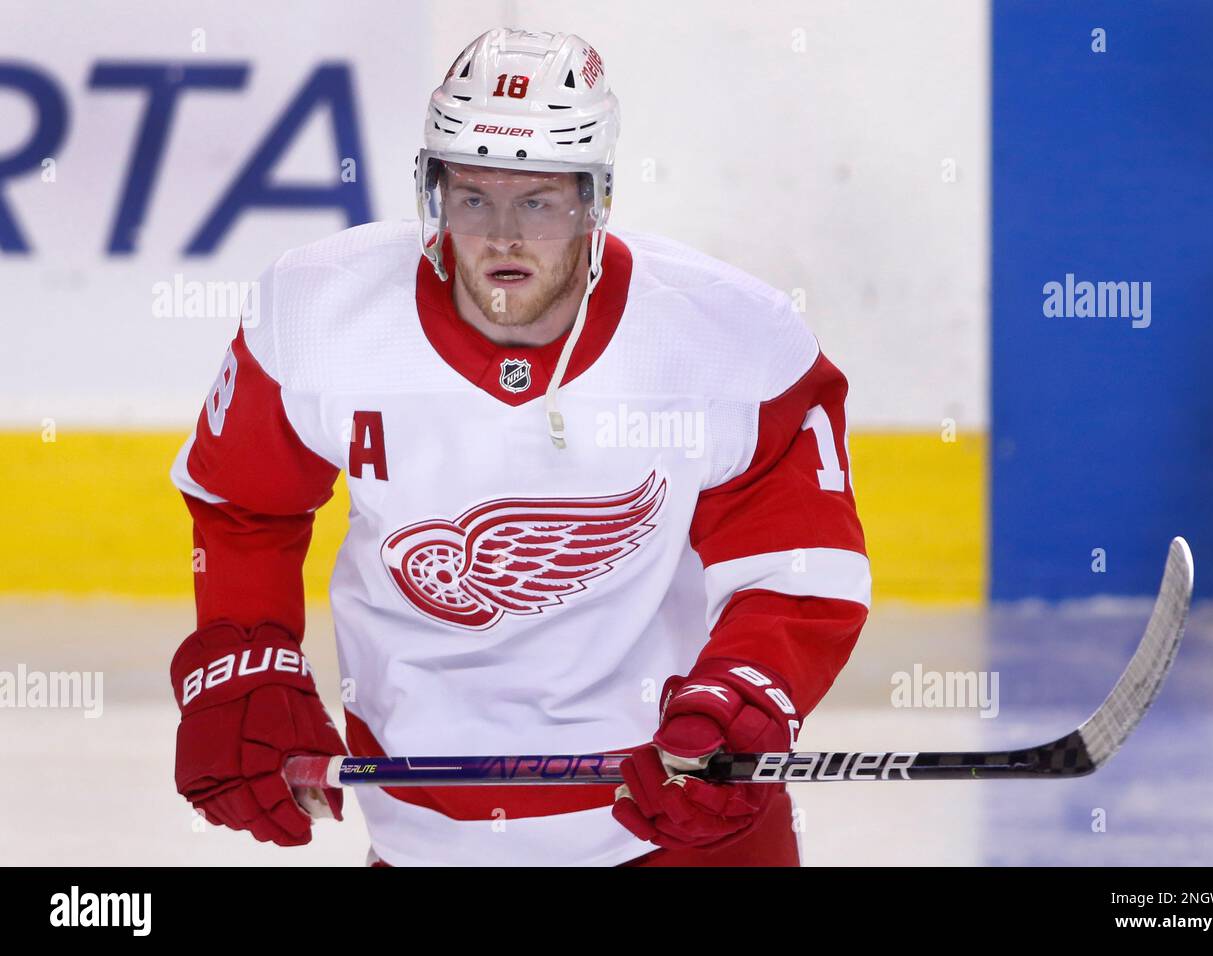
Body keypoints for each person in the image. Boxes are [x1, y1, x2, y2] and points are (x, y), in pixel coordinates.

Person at [169, 27, 871, 867]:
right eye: (474, 198)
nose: (504, 235)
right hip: (426, 833)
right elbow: (245, 503)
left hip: (682, 816)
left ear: (594, 201)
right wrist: (248, 657)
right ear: (432, 193)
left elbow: (797, 567)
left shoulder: (726, 341)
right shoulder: (321, 312)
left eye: (538, 201)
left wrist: (744, 698)